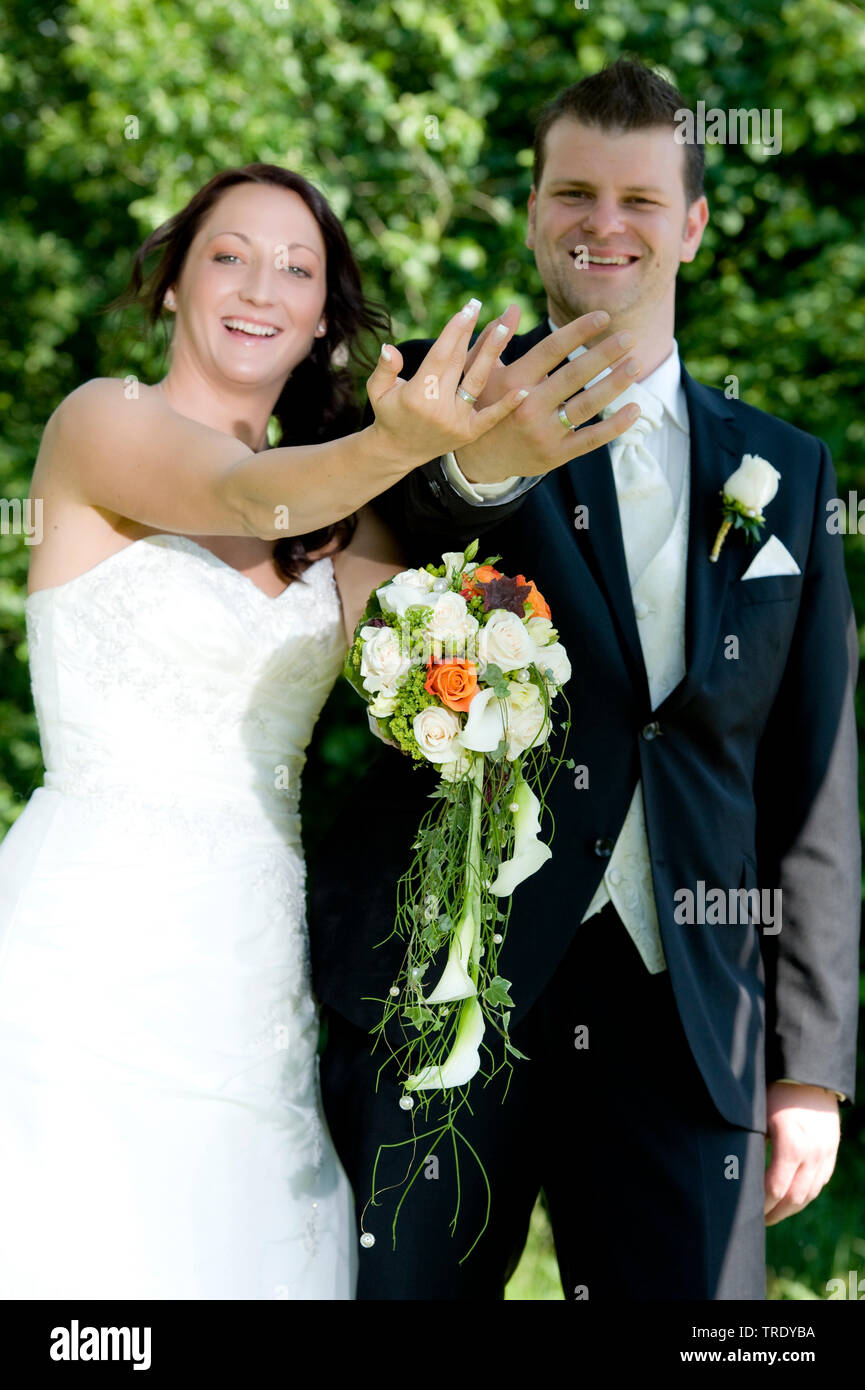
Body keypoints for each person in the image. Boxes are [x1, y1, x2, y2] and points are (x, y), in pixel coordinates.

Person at [0, 161, 639, 1299]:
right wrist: (402, 443)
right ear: (172, 286)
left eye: (296, 270)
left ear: (319, 322)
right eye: (229, 255)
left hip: (252, 964)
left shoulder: (335, 522)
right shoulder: (104, 423)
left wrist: (489, 467)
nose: (261, 286)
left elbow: (415, 630)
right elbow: (252, 497)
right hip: (86, 943)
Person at [310, 60, 861, 1300]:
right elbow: (392, 544)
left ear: (694, 224)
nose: (602, 225)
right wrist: (482, 466)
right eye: (573, 192)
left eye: (639, 199)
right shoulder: (436, 399)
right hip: (458, 987)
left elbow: (813, 773)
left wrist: (810, 1065)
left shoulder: (788, 468)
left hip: (691, 1013)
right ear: (531, 210)